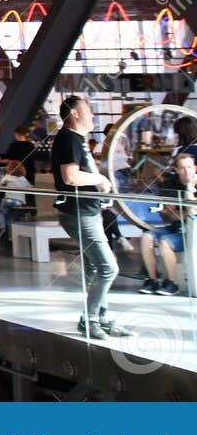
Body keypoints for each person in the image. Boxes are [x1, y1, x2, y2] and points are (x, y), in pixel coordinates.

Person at [52, 95, 127, 338]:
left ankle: (101, 318)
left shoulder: (77, 140)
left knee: (97, 267)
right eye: (89, 110)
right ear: (74, 113)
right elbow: (70, 177)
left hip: (89, 211)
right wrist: (101, 180)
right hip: (79, 213)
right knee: (108, 268)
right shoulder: (68, 139)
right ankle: (90, 318)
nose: (93, 115)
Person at [139, 152, 197, 295]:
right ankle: (152, 280)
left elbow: (192, 214)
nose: (186, 171)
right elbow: (168, 215)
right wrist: (181, 213)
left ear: (195, 168)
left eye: (189, 167)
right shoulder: (171, 183)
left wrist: (189, 188)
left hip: (193, 231)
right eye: (182, 168)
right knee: (146, 237)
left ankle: (171, 283)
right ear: (176, 170)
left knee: (166, 242)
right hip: (177, 227)